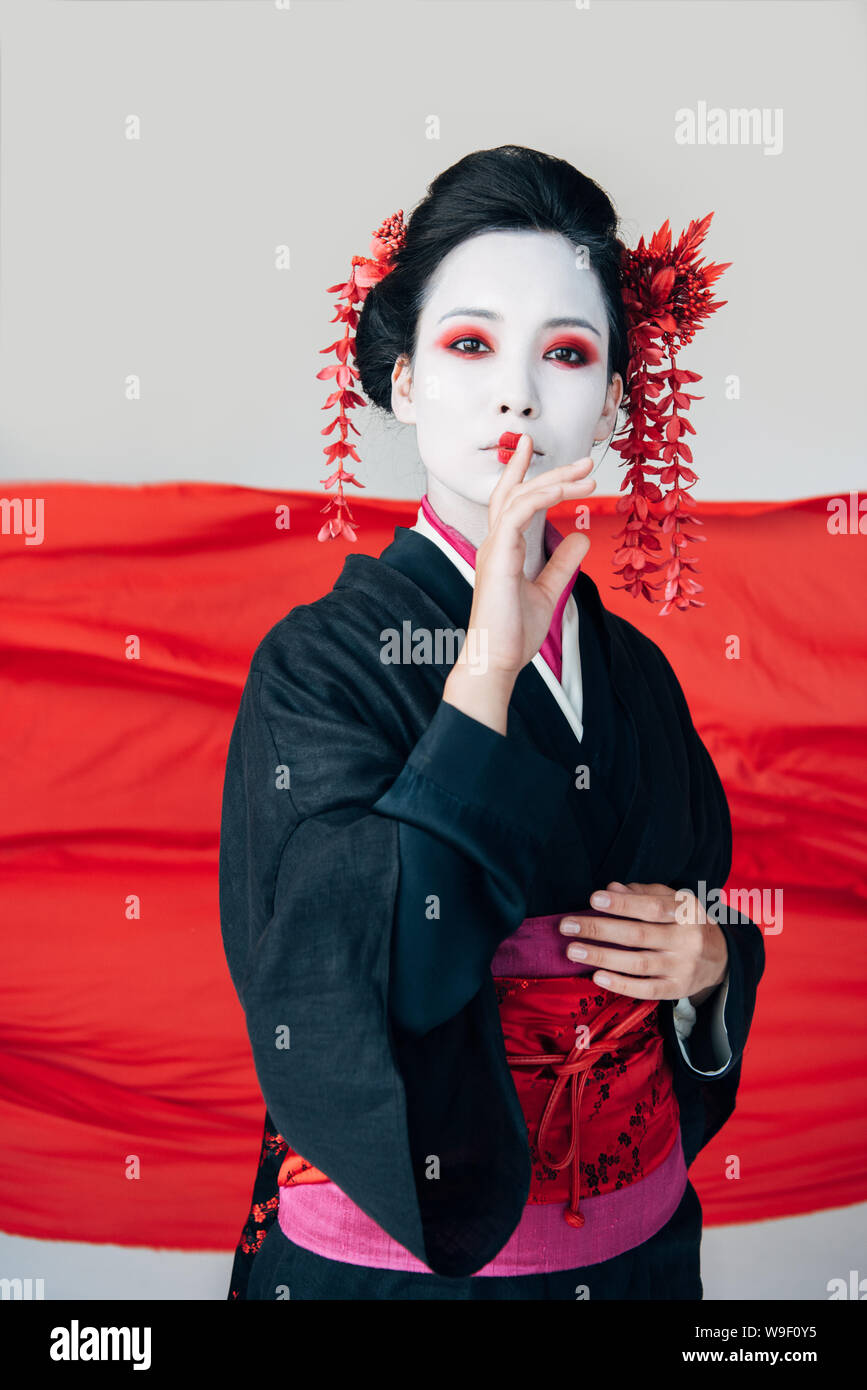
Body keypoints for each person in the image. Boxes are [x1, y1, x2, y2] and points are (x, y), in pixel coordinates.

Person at [218, 146, 765, 1300]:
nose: (517, 392)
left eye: (566, 354)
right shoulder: (313, 669)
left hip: (636, 1245)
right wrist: (482, 675)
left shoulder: (636, 677)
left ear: (616, 401)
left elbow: (704, 905)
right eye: (470, 345)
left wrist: (708, 962)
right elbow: (361, 986)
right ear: (404, 378)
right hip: (405, 1262)